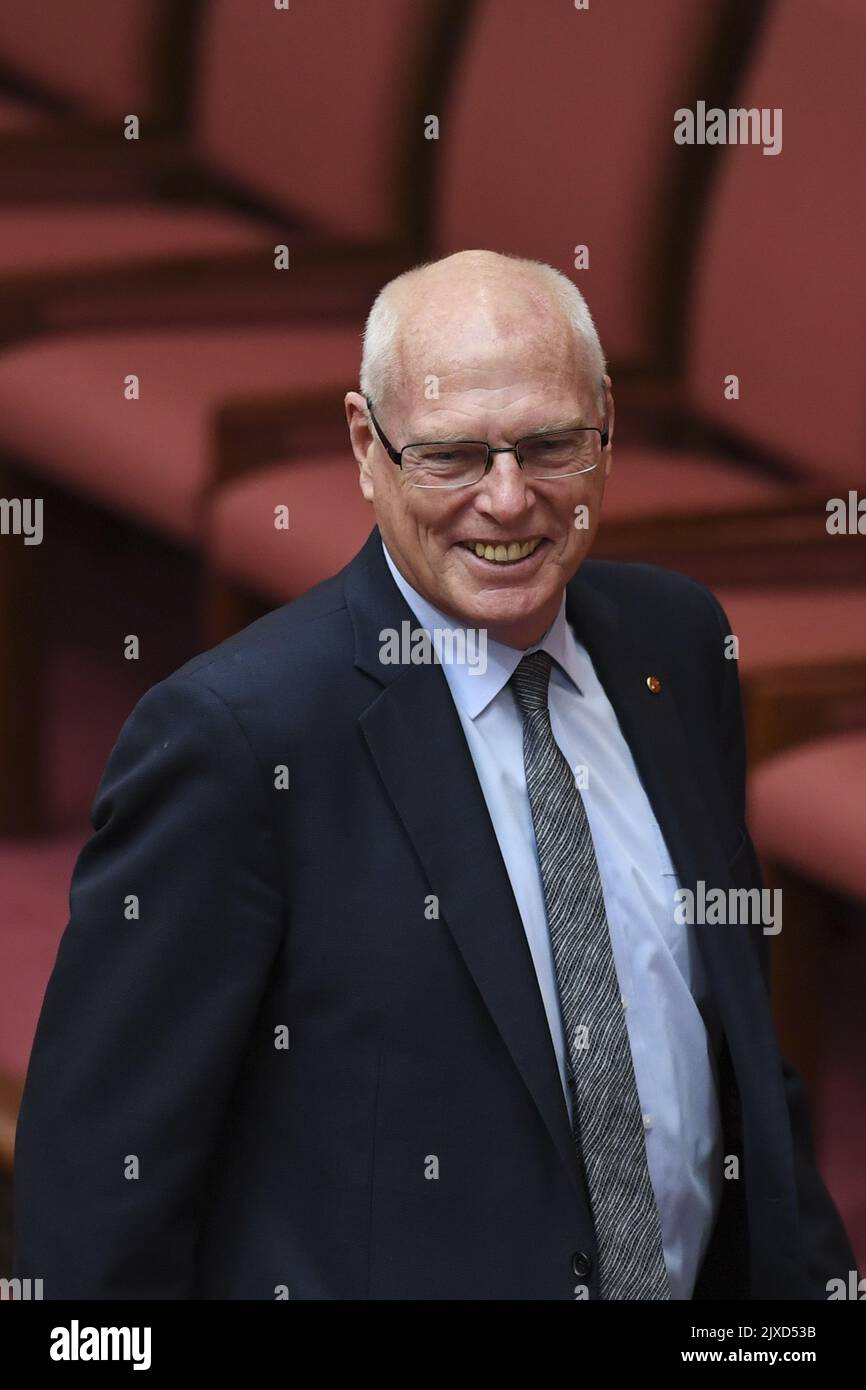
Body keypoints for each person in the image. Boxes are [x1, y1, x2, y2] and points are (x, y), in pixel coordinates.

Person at [13, 250, 854, 1299]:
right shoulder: (237, 742)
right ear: (367, 445)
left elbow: (731, 1061)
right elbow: (94, 1209)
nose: (507, 502)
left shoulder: (675, 648)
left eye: (548, 446)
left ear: (604, 425)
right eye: (453, 457)